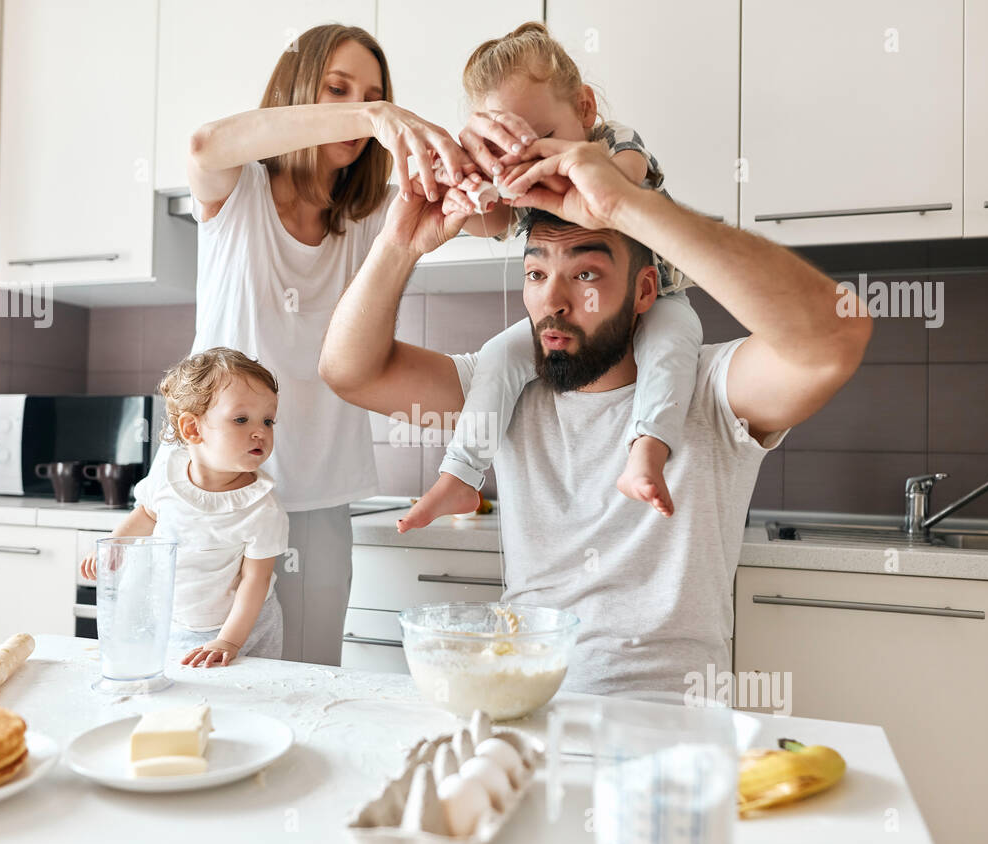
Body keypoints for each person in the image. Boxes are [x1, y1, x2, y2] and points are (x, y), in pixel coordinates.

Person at [318, 140, 871, 696]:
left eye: (585, 275)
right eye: (536, 275)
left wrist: (629, 206)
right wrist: (398, 244)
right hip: (525, 701)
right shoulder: (506, 391)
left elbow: (836, 336)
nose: (552, 300)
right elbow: (349, 371)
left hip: (665, 721)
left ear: (645, 290)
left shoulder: (710, 391)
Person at [132, 23, 471, 665]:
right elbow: (205, 143)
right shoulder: (240, 193)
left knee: (310, 678)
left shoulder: (369, 219)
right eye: (336, 89)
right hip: (206, 491)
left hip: (317, 493)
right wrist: (373, 111)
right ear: (299, 95)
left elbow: (482, 210)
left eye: (369, 95)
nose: (354, 110)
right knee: (190, 668)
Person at [398, 22, 701, 533]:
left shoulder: (615, 144)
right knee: (498, 355)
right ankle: (460, 475)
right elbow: (486, 220)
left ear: (585, 109)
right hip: (578, 319)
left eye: (541, 140)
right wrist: (455, 186)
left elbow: (621, 180)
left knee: (673, 345)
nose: (530, 161)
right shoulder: (517, 184)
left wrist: (570, 165)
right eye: (507, 150)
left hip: (660, 297)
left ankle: (647, 453)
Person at [82, 349, 289, 668]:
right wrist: (114, 549)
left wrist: (229, 640)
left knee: (243, 699)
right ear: (193, 429)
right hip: (174, 620)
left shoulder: (262, 507)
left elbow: (255, 581)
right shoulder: (166, 479)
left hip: (241, 628)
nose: (260, 430)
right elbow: (146, 515)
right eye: (241, 419)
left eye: (268, 420)